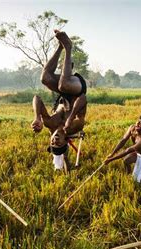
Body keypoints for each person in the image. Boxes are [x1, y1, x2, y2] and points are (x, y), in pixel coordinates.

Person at [32, 30, 87, 172]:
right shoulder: (74, 127)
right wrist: (72, 116)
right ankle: (68, 47)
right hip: (77, 90)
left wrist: (37, 117)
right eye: (58, 143)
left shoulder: (50, 123)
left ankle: (60, 47)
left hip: (64, 92)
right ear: (65, 141)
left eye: (52, 142)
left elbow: (37, 98)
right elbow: (83, 99)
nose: (54, 140)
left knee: (45, 78)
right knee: (64, 84)